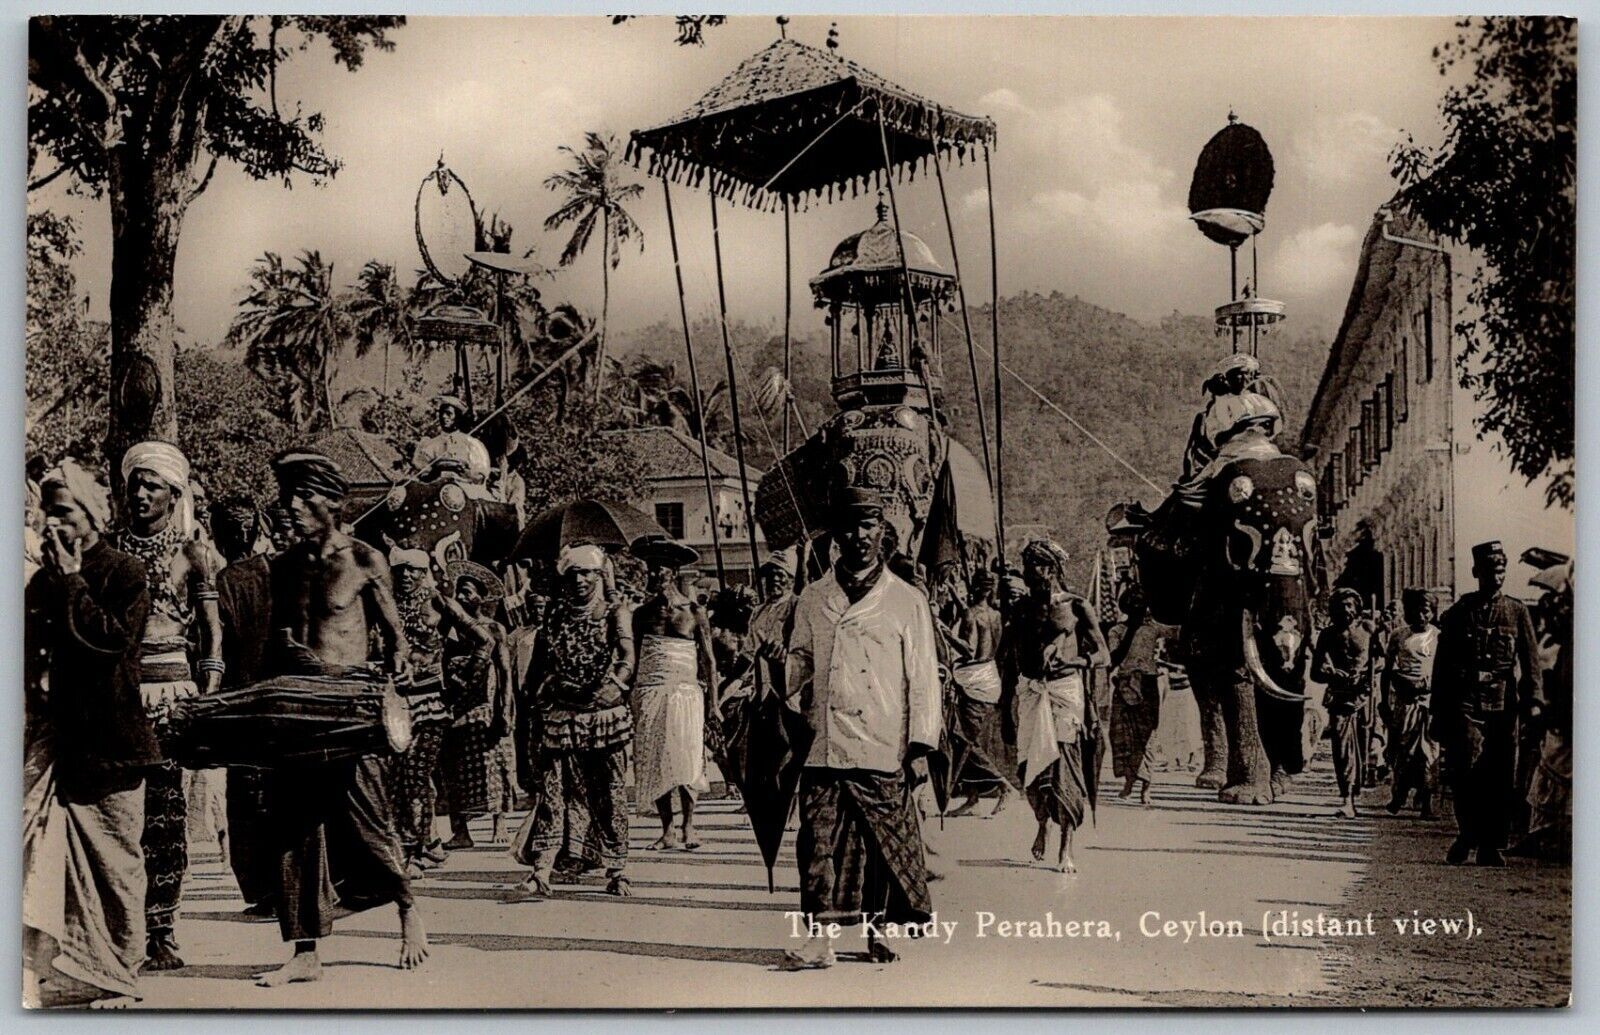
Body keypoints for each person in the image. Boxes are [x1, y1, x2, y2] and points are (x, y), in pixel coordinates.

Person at [257, 450, 427, 985]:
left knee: (369, 820)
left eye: (303, 497)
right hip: (296, 709)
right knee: (293, 830)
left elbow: (399, 643)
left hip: (350, 711)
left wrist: (392, 679)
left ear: (332, 501)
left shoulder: (364, 560)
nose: (292, 507)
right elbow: (277, 636)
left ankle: (407, 908)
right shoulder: (281, 568)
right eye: (287, 497)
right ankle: (304, 951)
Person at [782, 488, 941, 969]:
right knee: (818, 842)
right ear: (835, 536)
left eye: (869, 525)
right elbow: (801, 659)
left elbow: (924, 677)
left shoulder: (906, 600)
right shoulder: (813, 598)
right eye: (850, 527)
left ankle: (881, 933)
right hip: (825, 742)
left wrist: (919, 746)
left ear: (882, 533)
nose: (859, 536)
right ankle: (821, 941)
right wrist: (778, 669)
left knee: (881, 848)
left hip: (883, 742)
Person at [23, 461, 158, 1008]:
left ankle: (122, 972)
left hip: (114, 744)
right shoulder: (42, 581)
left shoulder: (125, 573)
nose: (51, 524)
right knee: (49, 858)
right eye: (46, 513)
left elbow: (113, 642)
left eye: (62, 512)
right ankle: (71, 970)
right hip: (61, 744)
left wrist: (75, 580)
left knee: (117, 866)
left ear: (91, 514)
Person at [110, 441, 224, 971]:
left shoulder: (193, 551)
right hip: (119, 696)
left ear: (174, 493)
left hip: (171, 695)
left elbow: (210, 630)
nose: (139, 494)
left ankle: (161, 931)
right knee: (118, 815)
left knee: (164, 818)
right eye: (135, 484)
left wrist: (211, 683)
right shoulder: (109, 549)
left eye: (151, 485)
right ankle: (119, 928)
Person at [508, 544, 637, 900]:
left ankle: (617, 868)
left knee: (608, 791)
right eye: (574, 574)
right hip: (560, 713)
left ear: (599, 575)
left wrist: (615, 685)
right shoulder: (555, 613)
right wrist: (532, 694)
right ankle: (542, 869)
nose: (580, 580)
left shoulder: (615, 611)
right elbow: (540, 659)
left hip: (603, 714)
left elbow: (627, 655)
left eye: (587, 573)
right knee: (553, 791)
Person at [1431, 540, 1542, 867]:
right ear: (1476, 572)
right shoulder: (1459, 613)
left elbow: (1531, 661)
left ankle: (1491, 845)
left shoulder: (1517, 611)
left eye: (1502, 569)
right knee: (1464, 770)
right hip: (1464, 701)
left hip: (1502, 704)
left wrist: (1534, 700)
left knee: (1500, 773)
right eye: (1491, 569)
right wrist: (1437, 710)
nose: (1497, 575)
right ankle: (1467, 834)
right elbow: (1442, 664)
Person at [1004, 539, 1108, 873]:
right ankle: (1041, 824)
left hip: (1065, 692)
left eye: (1035, 565)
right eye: (1026, 565)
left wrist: (1075, 661)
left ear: (1051, 569)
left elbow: (1103, 654)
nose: (1029, 573)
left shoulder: (1076, 606)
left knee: (1065, 766)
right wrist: (1006, 704)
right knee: (1030, 770)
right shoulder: (1020, 610)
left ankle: (1066, 846)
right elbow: (1010, 659)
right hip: (1031, 692)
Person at [210, 496, 278, 917]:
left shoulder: (224, 582)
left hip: (242, 699)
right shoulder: (278, 571)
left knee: (248, 798)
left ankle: (264, 891)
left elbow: (217, 643)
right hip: (283, 695)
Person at [632, 538, 718, 851]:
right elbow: (635, 658)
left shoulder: (694, 612)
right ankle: (667, 830)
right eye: (650, 570)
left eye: (660, 569)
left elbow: (708, 660)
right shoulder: (641, 614)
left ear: (674, 571)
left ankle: (689, 826)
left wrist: (715, 705)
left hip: (687, 694)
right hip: (651, 692)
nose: (654, 575)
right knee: (657, 759)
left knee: (687, 759)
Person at [438, 561, 517, 849]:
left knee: (494, 763)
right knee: (453, 766)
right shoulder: (449, 630)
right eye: (458, 592)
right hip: (457, 705)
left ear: (481, 598)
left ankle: (499, 821)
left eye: (467, 592)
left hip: (487, 703)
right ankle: (461, 831)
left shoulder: (494, 629)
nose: (461, 597)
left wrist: (506, 710)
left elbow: (506, 672)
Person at [388, 548, 451, 874]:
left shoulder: (438, 601)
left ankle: (413, 852)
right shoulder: (385, 603)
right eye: (400, 570)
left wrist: (461, 684)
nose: (406, 576)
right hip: (395, 703)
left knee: (414, 776)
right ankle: (429, 842)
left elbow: (483, 638)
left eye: (413, 570)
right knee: (402, 778)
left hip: (430, 705)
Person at [1512, 563, 1571, 861]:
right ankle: (1542, 835)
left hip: (1561, 719)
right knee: (1542, 776)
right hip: (1546, 715)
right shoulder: (1551, 641)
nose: (1552, 615)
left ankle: (1554, 838)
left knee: (1556, 777)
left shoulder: (1572, 643)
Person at [946, 570, 1014, 818]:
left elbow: (968, 650)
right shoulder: (996, 615)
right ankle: (973, 798)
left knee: (965, 740)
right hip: (990, 679)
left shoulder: (970, 614)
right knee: (975, 740)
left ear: (974, 587)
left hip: (974, 680)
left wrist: (941, 630)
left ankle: (1002, 785)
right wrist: (953, 593)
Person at [1109, 585, 1173, 806]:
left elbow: (1175, 631)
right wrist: (1131, 632)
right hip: (1125, 683)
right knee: (1123, 736)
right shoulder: (1116, 631)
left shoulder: (1152, 629)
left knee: (1147, 737)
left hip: (1147, 684)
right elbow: (1113, 658)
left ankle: (1146, 787)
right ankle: (1129, 782)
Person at [1313, 588, 1374, 819]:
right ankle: (1346, 798)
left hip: (1365, 697)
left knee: (1365, 746)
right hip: (1339, 698)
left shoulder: (1368, 630)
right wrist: (1331, 673)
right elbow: (1316, 673)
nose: (1346, 610)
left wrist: (1365, 672)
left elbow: (1380, 661)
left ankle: (1360, 787)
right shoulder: (1327, 636)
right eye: (1341, 606)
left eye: (1350, 605)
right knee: (1341, 748)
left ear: (1357, 608)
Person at [1384, 589, 1440, 818]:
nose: (1420, 615)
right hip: (1405, 703)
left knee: (1429, 752)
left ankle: (1427, 803)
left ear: (1432, 613)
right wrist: (1385, 702)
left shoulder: (1439, 637)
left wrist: (1430, 685)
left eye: (1425, 610)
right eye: (1414, 610)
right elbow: (1387, 671)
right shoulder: (1398, 636)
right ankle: (1399, 796)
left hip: (1430, 702)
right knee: (1403, 751)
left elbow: (1446, 670)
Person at [414, 394, 492, 495]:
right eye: (441, 413)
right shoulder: (430, 445)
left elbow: (480, 478)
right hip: (436, 493)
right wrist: (438, 470)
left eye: (448, 414)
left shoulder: (472, 444)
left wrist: (460, 471)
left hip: (468, 494)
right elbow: (422, 476)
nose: (443, 417)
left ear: (458, 417)